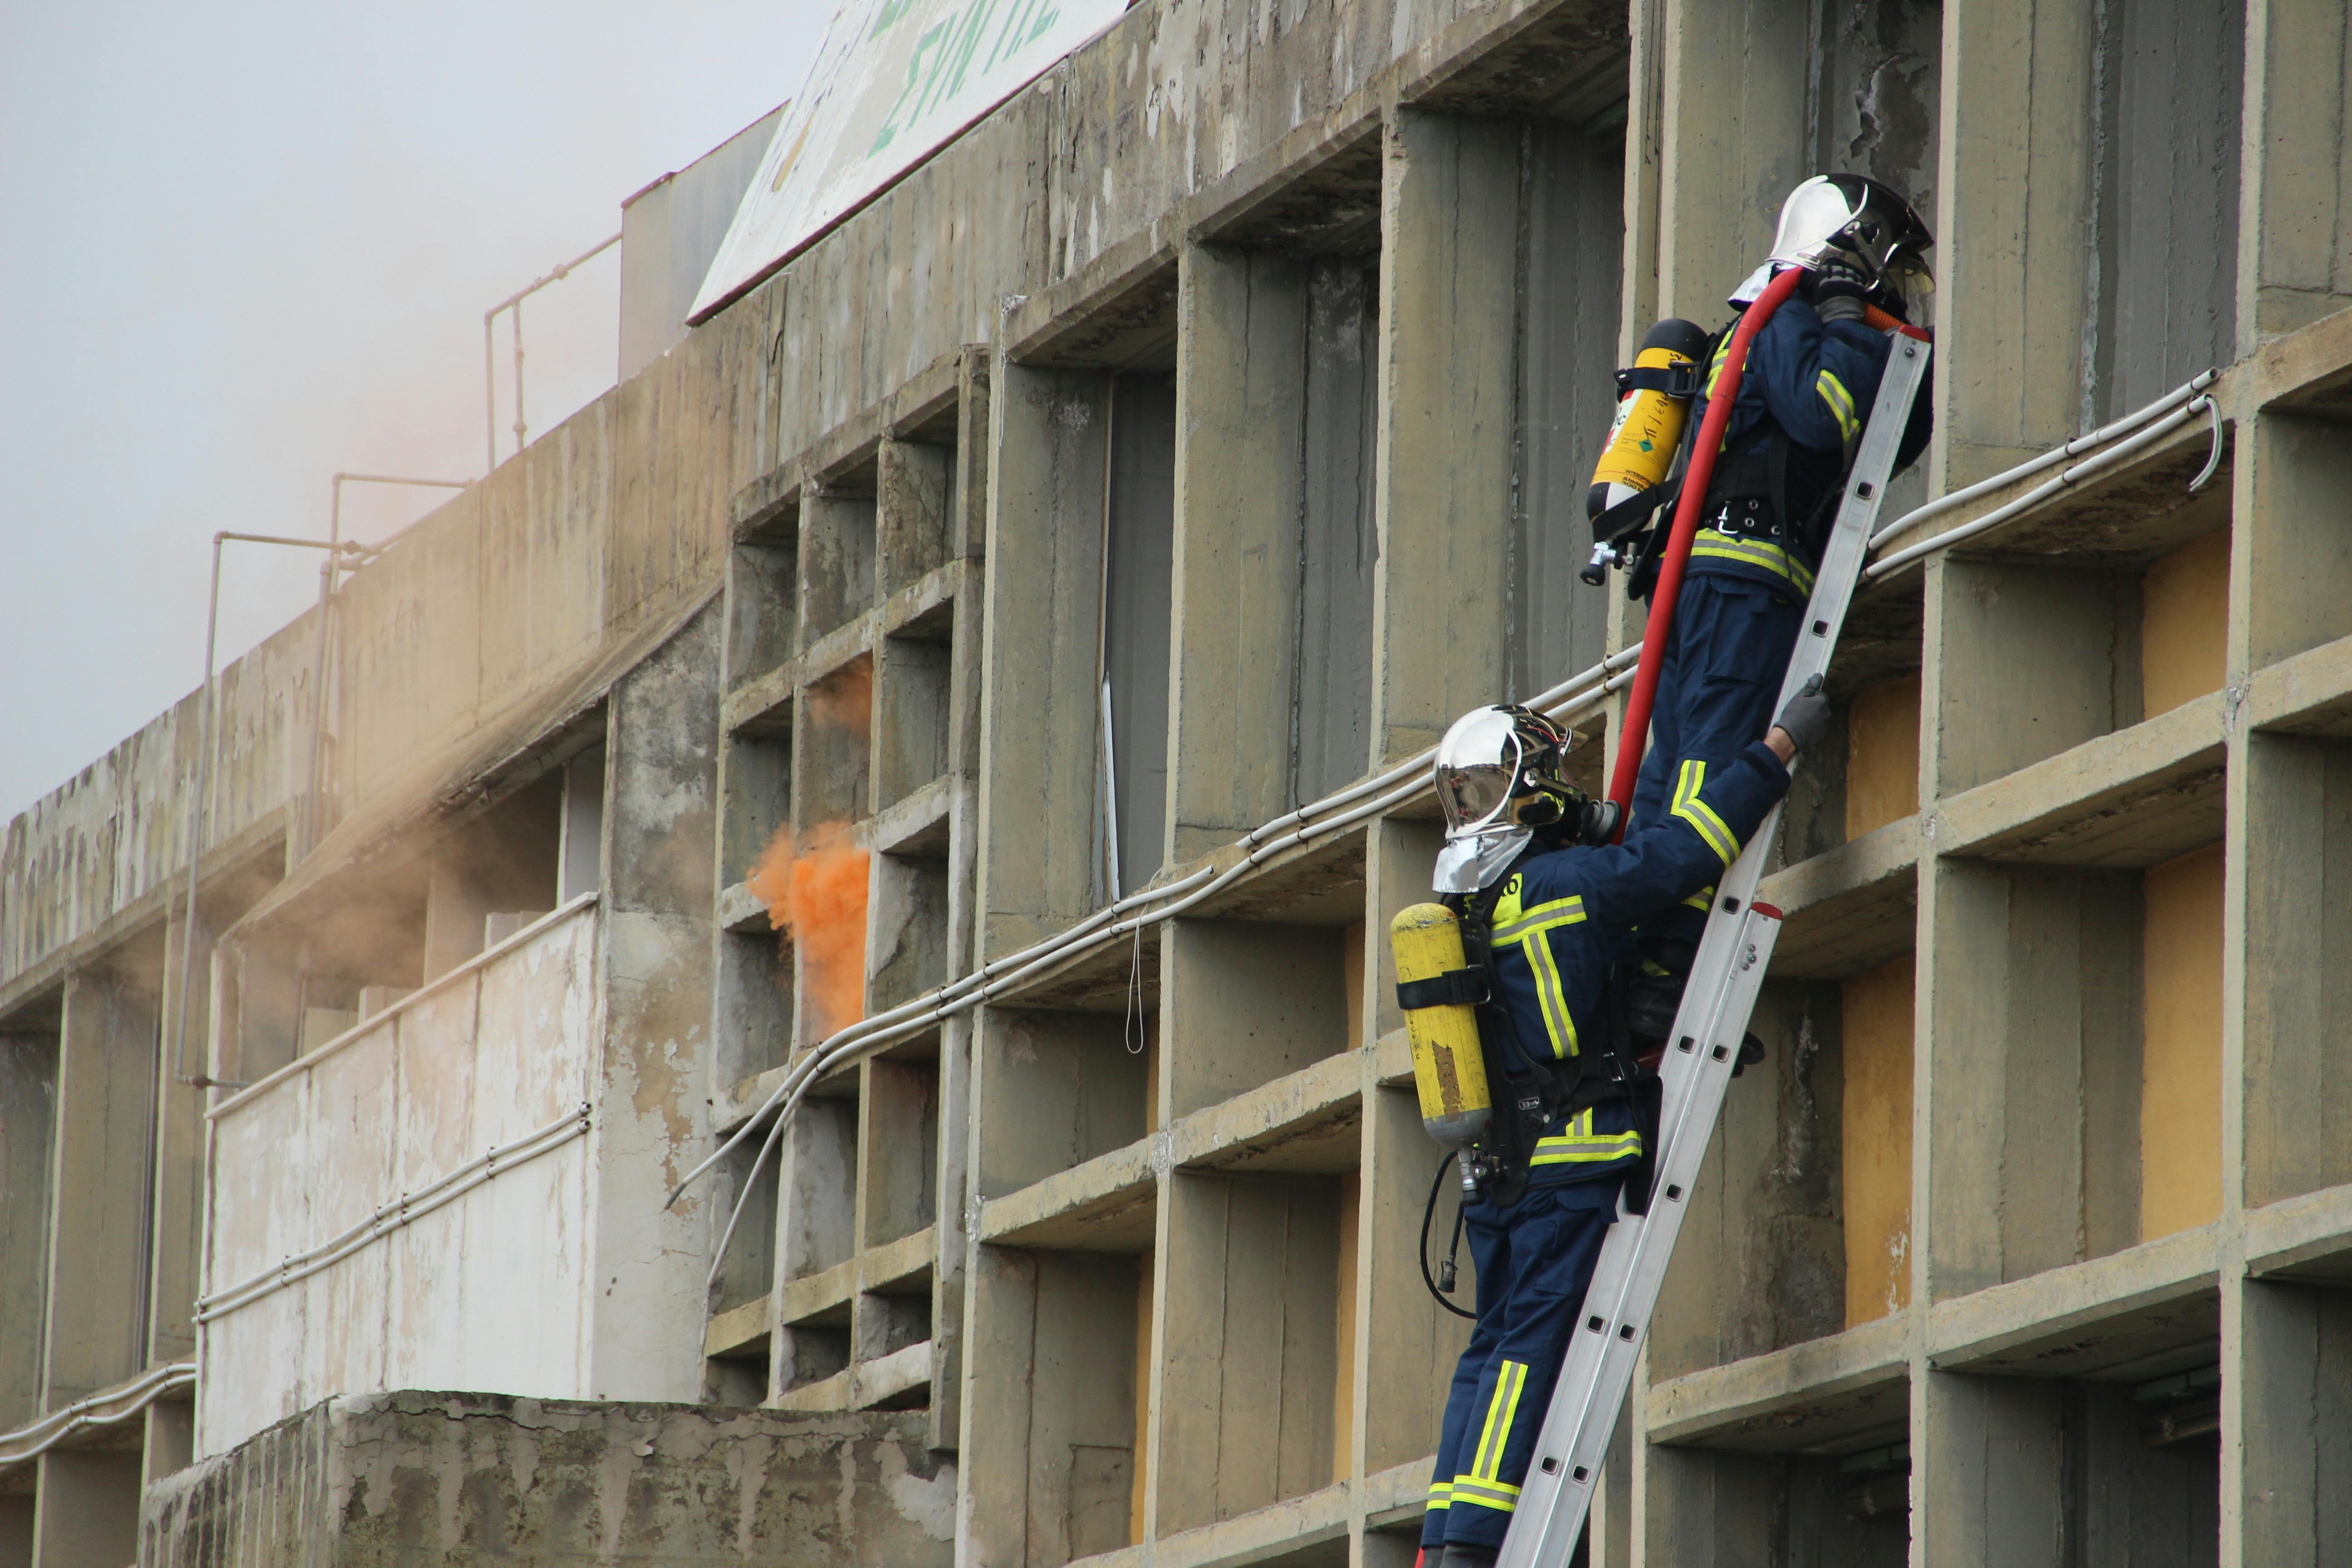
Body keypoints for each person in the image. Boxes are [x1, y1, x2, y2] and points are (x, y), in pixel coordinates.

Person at [1415, 680, 1832, 1568]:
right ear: (1523, 791)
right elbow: (1686, 853)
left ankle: (1448, 1533)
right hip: (1570, 1166)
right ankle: (1482, 1540)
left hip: (1491, 1174)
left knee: (1489, 1346)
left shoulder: (1459, 910)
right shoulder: (1568, 885)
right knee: (1530, 1349)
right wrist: (1779, 751)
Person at [1625, 174, 1936, 974]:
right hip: (1745, 579)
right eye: (1887, 266)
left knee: (1672, 759)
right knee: (1714, 753)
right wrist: (1847, 324)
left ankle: (1646, 927)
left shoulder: (1756, 324)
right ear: (1849, 252)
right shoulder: (1788, 318)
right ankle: (1673, 943)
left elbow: (1896, 435)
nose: (1895, 289)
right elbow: (1824, 415)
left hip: (1701, 581)